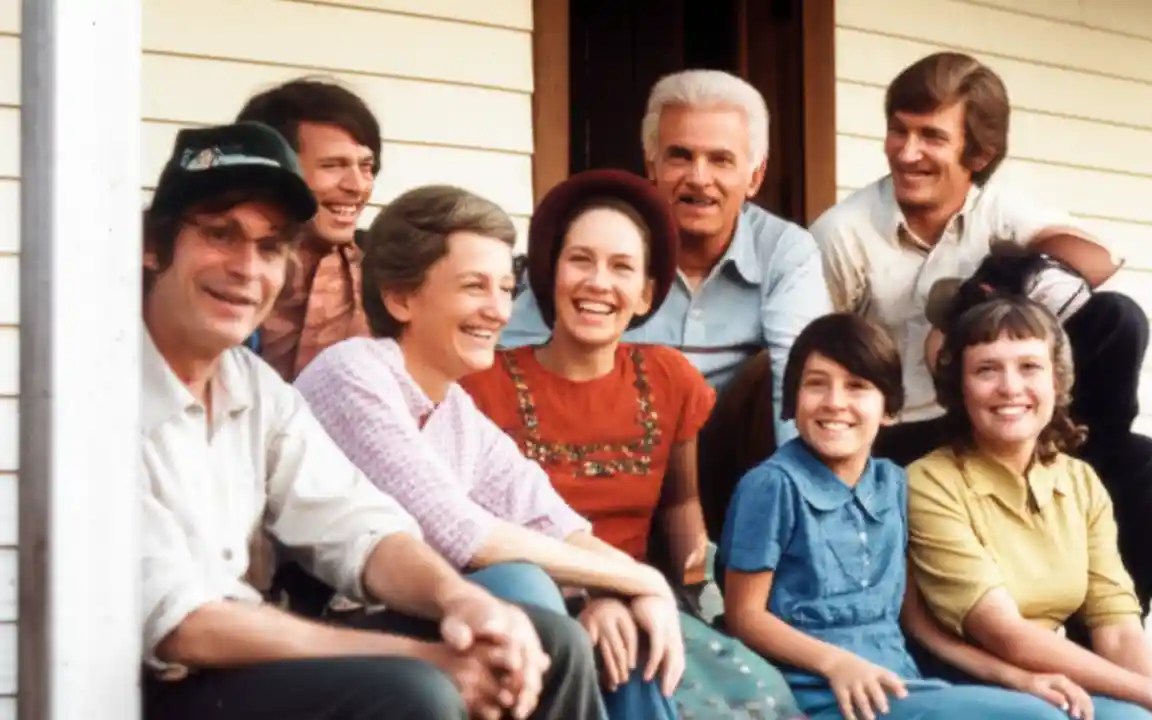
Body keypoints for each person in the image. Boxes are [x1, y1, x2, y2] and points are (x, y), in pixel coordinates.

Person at [140, 122, 603, 720]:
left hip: (236, 660)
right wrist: (423, 656)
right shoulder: (94, 394)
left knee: (545, 642)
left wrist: (459, 600)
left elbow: (358, 525)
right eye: (219, 234)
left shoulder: (253, 386)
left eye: (271, 246)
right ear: (153, 245)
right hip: (146, 686)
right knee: (417, 691)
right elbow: (184, 626)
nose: (247, 267)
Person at [808, 51, 1152, 612]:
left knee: (1141, 442)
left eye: (931, 137)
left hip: (994, 415)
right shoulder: (844, 233)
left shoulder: (998, 208)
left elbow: (1100, 260)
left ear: (978, 155)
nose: (906, 152)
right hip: (902, 435)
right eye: (898, 131)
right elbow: (811, 362)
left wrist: (986, 292)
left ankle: (1113, 623)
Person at [294, 184, 684, 719]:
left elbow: (552, 520)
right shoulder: (353, 374)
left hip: (427, 621)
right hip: (322, 635)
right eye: (474, 286)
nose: (498, 311)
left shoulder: (454, 408)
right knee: (517, 585)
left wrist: (620, 592)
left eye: (505, 288)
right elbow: (463, 535)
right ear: (401, 298)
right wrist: (642, 577)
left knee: (623, 628)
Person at [462, 169, 805, 719]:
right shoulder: (482, 385)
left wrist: (698, 596)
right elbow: (474, 537)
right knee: (630, 676)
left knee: (763, 697)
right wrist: (588, 598)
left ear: (646, 293)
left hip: (641, 600)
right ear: (550, 274)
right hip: (533, 611)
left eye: (622, 267)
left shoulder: (668, 377)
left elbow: (680, 505)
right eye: (581, 260)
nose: (599, 283)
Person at [501, 69, 833, 540]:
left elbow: (799, 372)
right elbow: (512, 355)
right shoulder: (605, 243)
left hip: (725, 464)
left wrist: (807, 506)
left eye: (721, 159)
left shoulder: (785, 250)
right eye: (680, 155)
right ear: (651, 164)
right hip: (602, 451)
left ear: (755, 176)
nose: (699, 177)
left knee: (783, 369)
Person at [718, 312, 1091, 720]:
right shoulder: (773, 485)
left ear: (889, 410)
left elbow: (916, 624)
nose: (834, 402)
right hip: (818, 691)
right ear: (793, 400)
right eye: (816, 384)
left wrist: (1018, 678)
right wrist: (835, 663)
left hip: (900, 683)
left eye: (857, 386)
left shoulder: (891, 484)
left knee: (1047, 708)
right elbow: (745, 616)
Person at [907, 295, 1152, 720]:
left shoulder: (1079, 482)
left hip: (1055, 686)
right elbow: (1003, 633)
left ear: (1056, 381)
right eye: (987, 369)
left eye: (1029, 367)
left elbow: (1117, 626)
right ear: (960, 388)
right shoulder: (930, 482)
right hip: (965, 686)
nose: (1010, 387)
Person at [236, 78, 377, 381]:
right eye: (333, 165)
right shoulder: (228, 272)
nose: (357, 186)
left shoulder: (384, 273)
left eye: (366, 167)